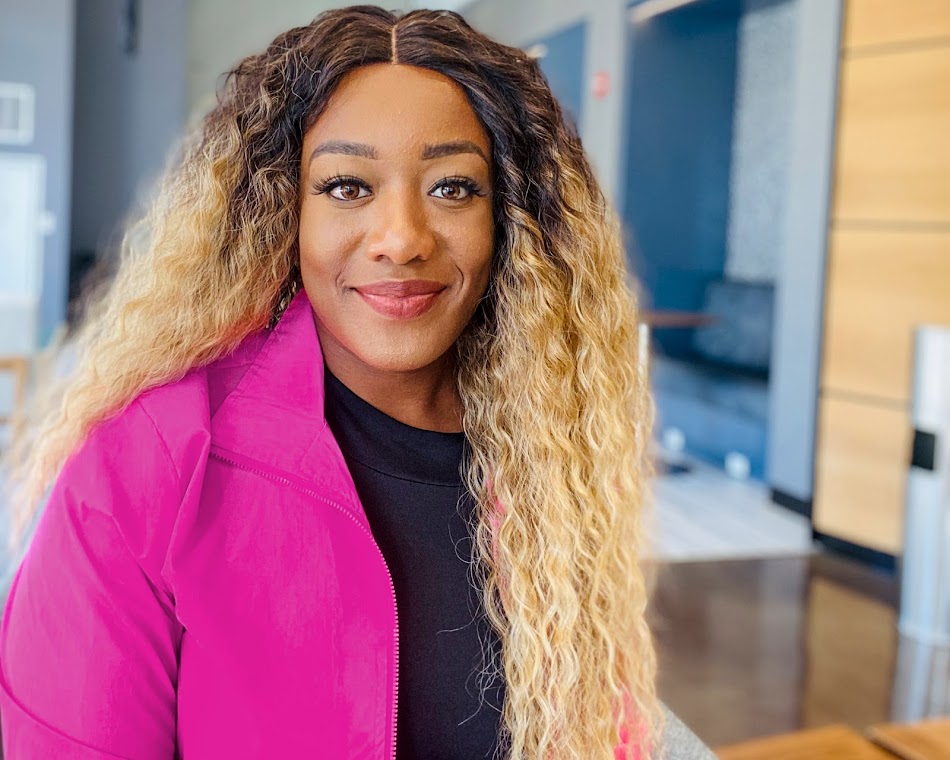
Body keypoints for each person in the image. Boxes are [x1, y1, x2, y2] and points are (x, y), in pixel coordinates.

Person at [0, 6, 713, 759]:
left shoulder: (553, 445)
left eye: (452, 188)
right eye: (346, 187)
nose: (401, 237)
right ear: (284, 214)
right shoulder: (146, 460)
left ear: (509, 219)